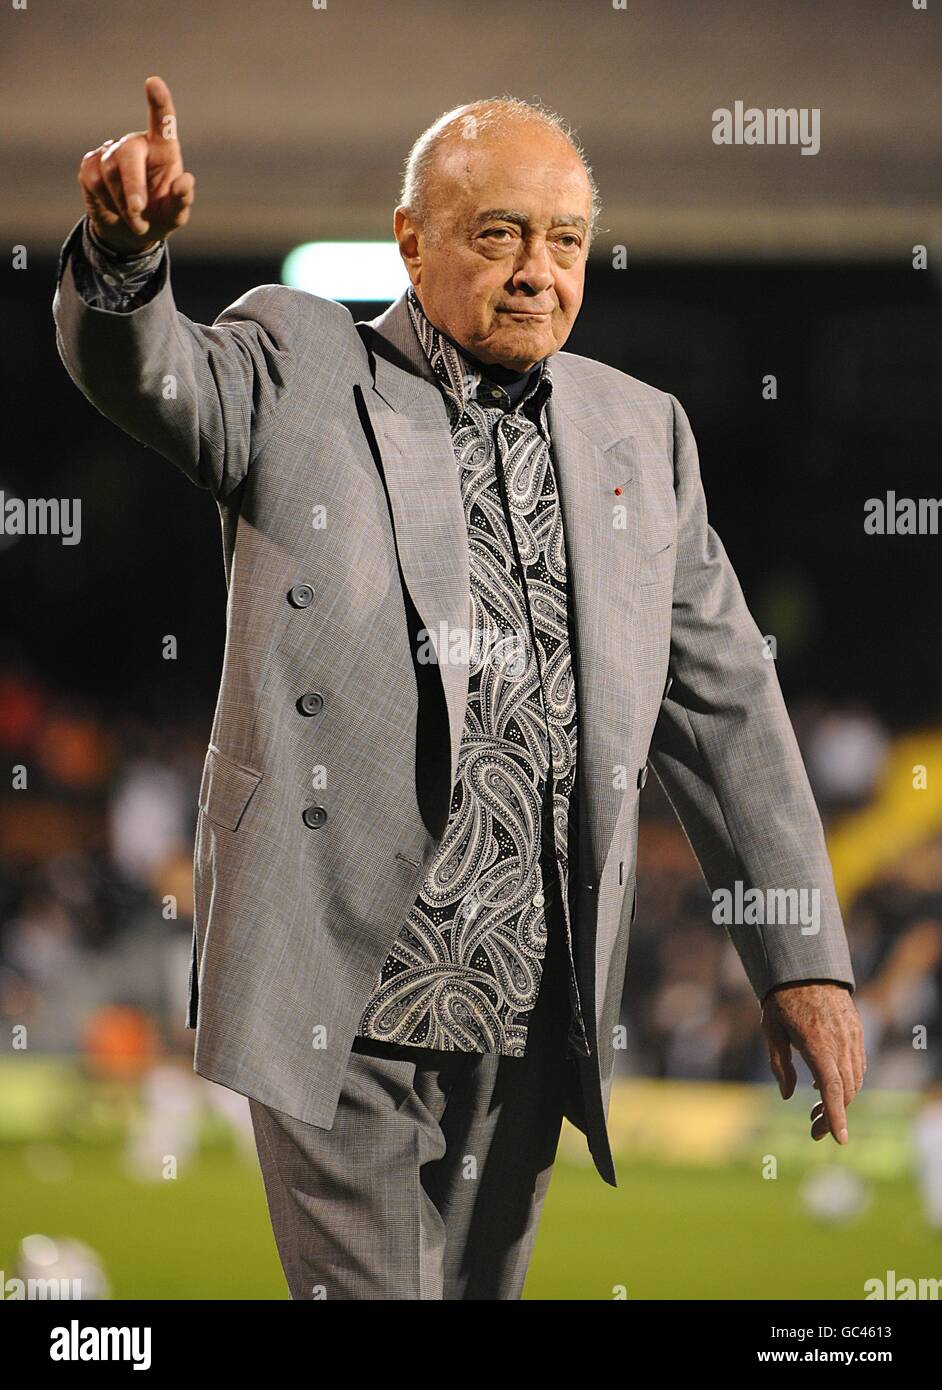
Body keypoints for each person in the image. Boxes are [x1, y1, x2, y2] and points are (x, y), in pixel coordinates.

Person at [53, 76, 866, 1300]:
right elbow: (151, 372)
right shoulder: (299, 362)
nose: (540, 270)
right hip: (345, 986)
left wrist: (800, 955)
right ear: (412, 240)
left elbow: (726, 705)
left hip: (538, 1008)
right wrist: (123, 258)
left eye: (567, 240)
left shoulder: (642, 435)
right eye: (500, 235)